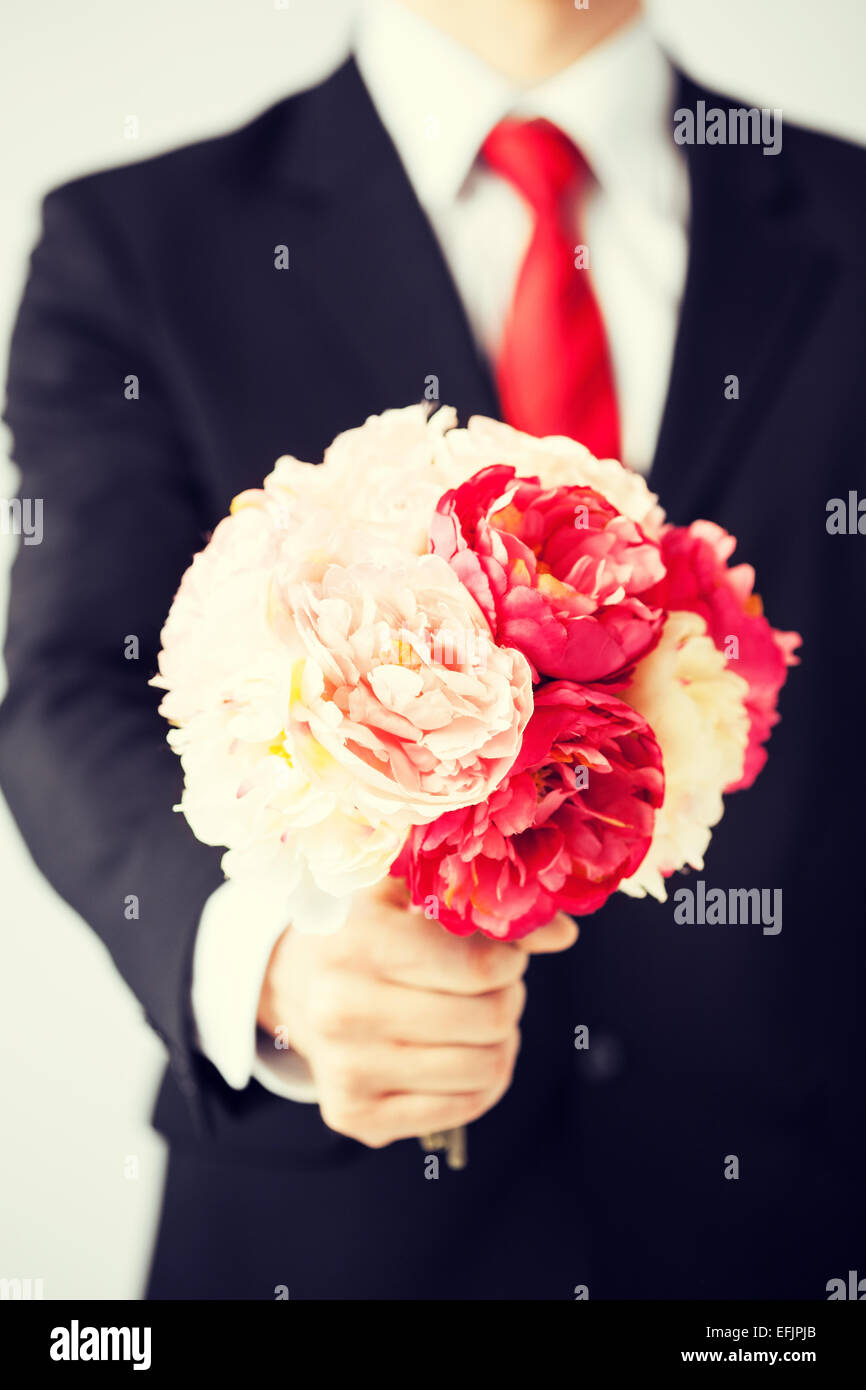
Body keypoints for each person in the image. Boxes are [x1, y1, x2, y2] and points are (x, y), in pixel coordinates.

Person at [1, 0, 863, 1300]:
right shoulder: (141, 240)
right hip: (328, 1237)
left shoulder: (846, 217)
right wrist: (270, 963)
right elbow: (70, 684)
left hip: (795, 1224)